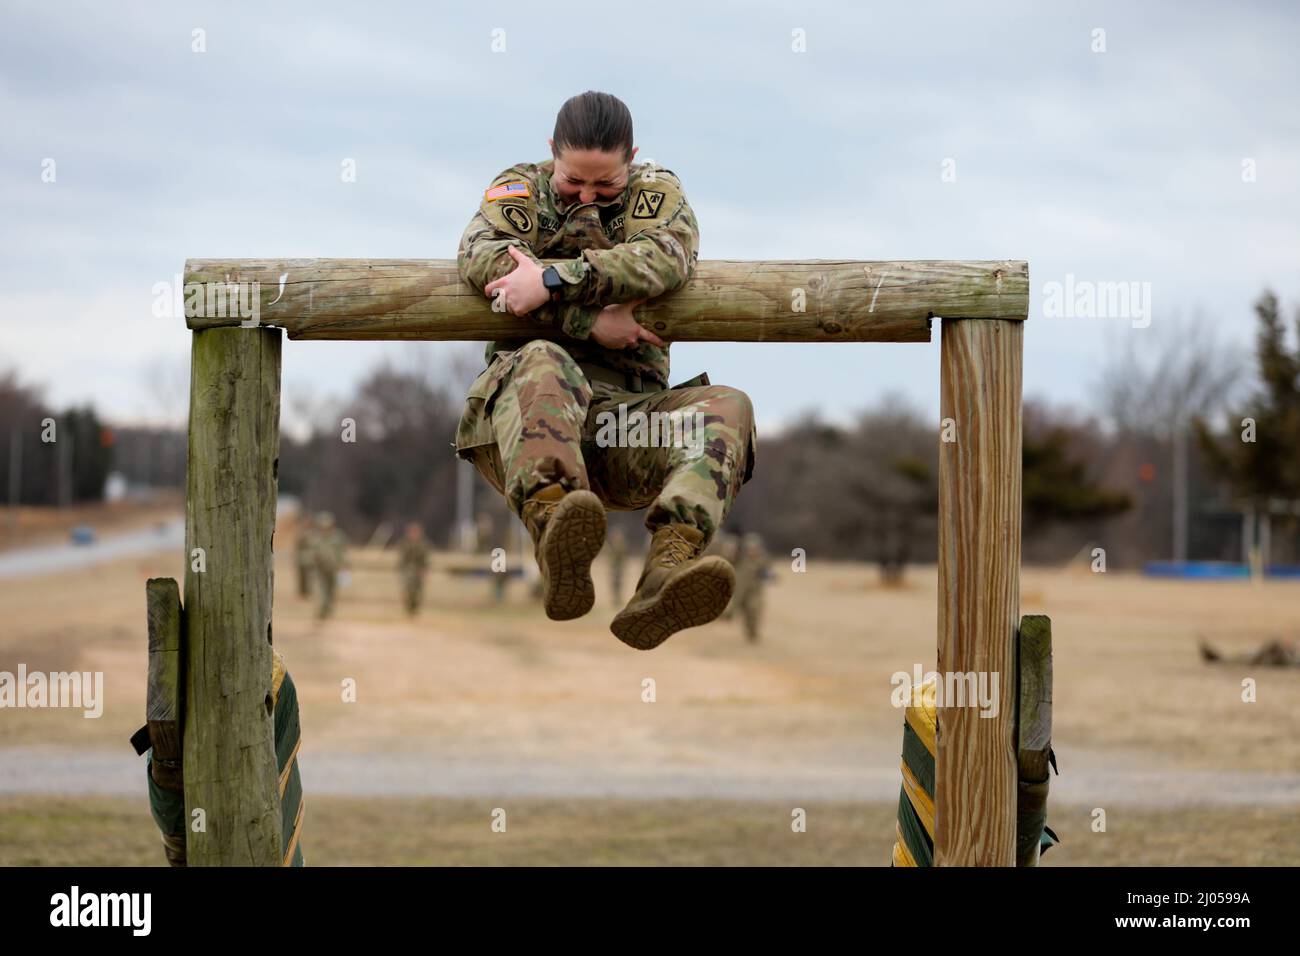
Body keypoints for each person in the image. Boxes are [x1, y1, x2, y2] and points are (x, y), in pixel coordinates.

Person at [455, 91, 756, 650]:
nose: (587, 197)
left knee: (728, 405)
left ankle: (667, 570)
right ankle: (554, 529)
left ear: (633, 158)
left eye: (606, 186)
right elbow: (480, 255)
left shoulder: (657, 191)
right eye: (573, 183)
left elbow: (664, 259)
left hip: (619, 431)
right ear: (551, 153)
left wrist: (550, 282)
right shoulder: (519, 189)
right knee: (546, 358)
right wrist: (588, 322)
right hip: (525, 426)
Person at [732, 532, 770, 643]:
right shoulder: (740, 559)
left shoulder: (762, 559)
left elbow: (767, 571)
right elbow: (730, 559)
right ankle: (749, 631)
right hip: (742, 591)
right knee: (746, 612)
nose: (752, 550)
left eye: (754, 547)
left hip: (755, 591)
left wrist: (768, 576)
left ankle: (754, 633)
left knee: (754, 609)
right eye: (750, 547)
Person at [310, 511, 349, 619]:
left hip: (334, 568)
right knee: (321, 591)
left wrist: (344, 565)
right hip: (320, 569)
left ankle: (328, 610)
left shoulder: (337, 537)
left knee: (332, 591)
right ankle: (322, 610)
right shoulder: (315, 538)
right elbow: (311, 553)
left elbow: (342, 552)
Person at [396, 521, 430, 616]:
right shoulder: (405, 543)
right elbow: (402, 559)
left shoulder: (423, 544)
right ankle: (409, 609)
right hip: (407, 570)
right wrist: (401, 571)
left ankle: (414, 609)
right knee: (408, 590)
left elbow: (425, 560)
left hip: (418, 570)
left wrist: (424, 571)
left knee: (418, 592)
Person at [1200, 638, 1300, 667]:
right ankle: (1220, 658)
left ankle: (1219, 659)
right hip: (1284, 658)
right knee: (1246, 656)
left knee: (1247, 658)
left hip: (1282, 660)